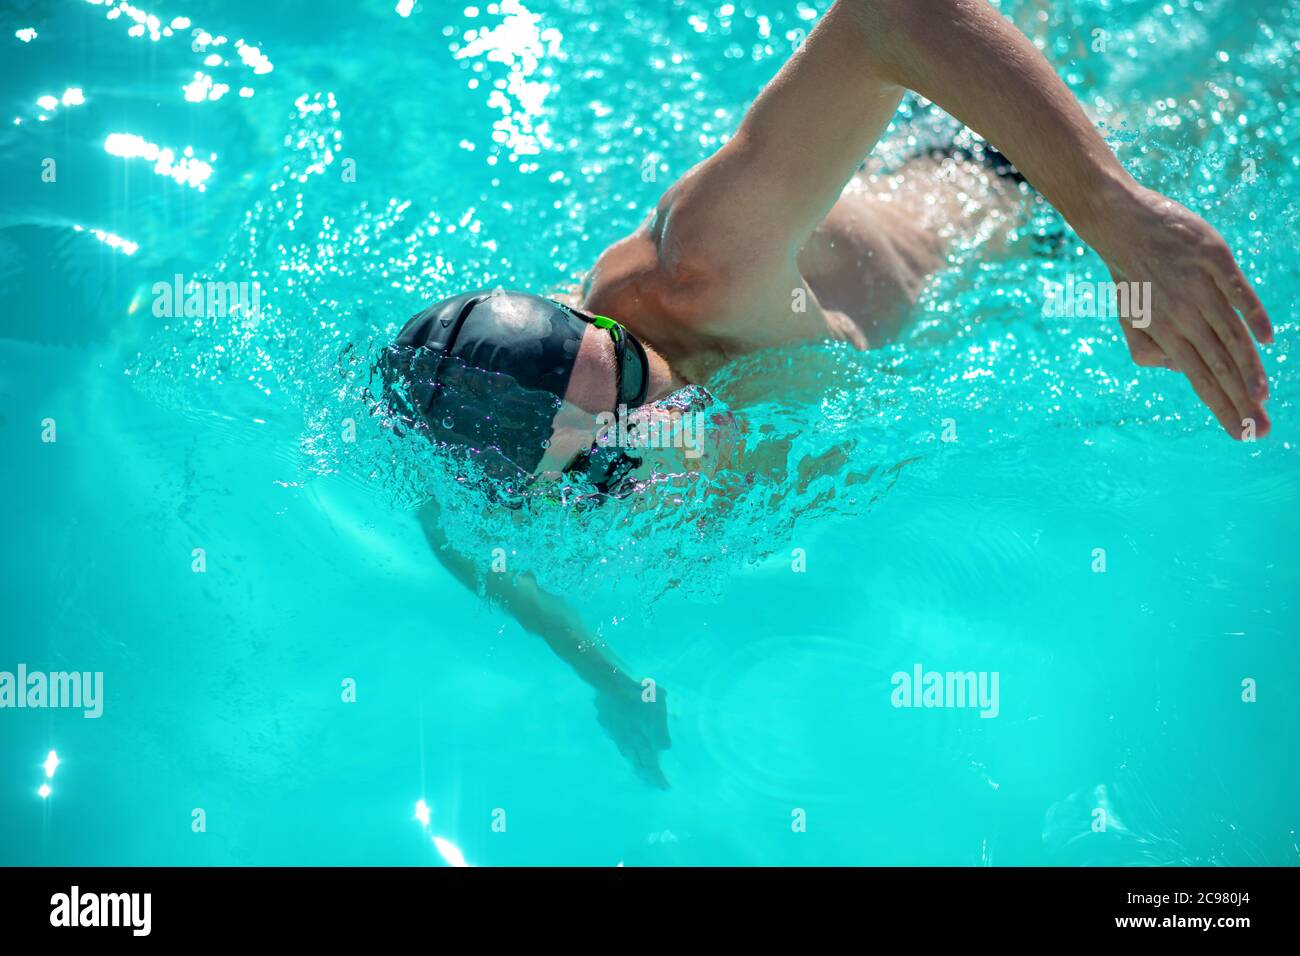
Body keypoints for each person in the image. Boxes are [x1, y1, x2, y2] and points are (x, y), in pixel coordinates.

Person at [382, 0, 1274, 787]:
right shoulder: (483, 440)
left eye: (632, 383)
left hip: (1012, 197)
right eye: (604, 469)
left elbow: (891, 14)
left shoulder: (701, 269)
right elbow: (461, 540)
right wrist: (604, 673)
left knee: (1256, 82)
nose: (655, 431)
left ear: (596, 321)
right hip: (911, 174)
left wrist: (1118, 217)